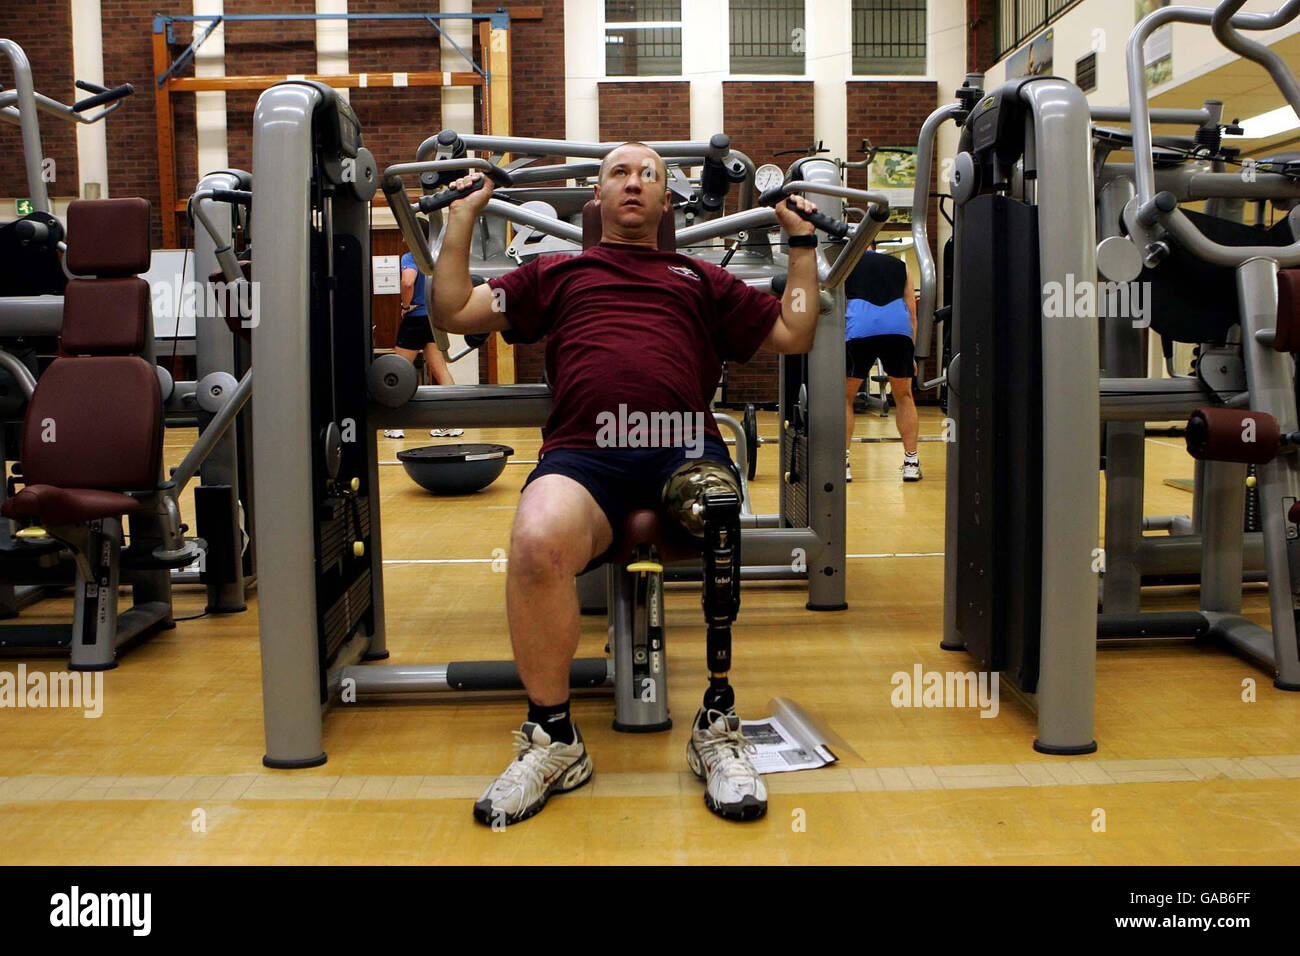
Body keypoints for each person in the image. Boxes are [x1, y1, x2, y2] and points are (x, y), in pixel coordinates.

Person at [430, 143, 821, 826]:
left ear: (667, 202)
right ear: (598, 197)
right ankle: (554, 739)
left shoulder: (699, 278)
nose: (634, 183)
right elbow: (454, 311)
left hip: (681, 451)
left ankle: (717, 727)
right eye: (619, 173)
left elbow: (794, 329)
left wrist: (803, 243)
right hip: (586, 457)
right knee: (534, 538)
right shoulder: (557, 271)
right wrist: (463, 214)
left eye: (649, 175)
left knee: (720, 513)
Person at [844, 242, 921, 482]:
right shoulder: (900, 266)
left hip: (859, 327)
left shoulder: (845, 264)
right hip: (897, 329)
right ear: (876, 246)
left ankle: (843, 462)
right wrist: (912, 353)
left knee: (844, 399)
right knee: (905, 397)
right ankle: (911, 462)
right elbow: (911, 311)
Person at [381, 250, 463, 439]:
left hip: (416, 319)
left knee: (397, 371)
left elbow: (408, 282)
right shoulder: (438, 257)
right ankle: (452, 422)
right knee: (441, 370)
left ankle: (395, 424)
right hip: (434, 318)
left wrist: (405, 305)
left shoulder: (411, 256)